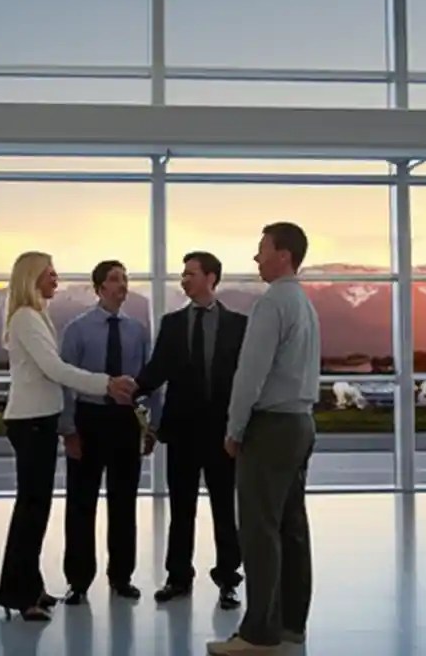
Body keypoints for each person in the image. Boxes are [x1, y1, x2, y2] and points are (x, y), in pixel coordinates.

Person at [0, 251, 135, 622]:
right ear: (32, 277)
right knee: (31, 510)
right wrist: (105, 383)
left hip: (38, 420)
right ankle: (19, 594)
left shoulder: (34, 315)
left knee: (35, 508)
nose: (56, 278)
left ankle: (31, 586)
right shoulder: (27, 317)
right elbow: (55, 369)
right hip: (32, 422)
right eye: (50, 273)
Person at [207, 223, 321, 656]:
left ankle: (258, 634)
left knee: (258, 529)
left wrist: (235, 430)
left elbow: (250, 373)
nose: (256, 258)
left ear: (284, 255)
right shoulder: (304, 304)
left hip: (271, 427)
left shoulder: (272, 303)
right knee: (292, 528)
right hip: (300, 423)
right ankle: (292, 626)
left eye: (261, 250)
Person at [133, 251, 247, 609]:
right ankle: (178, 578)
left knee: (224, 508)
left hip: (221, 433)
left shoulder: (238, 325)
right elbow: (157, 370)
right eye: (183, 275)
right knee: (181, 509)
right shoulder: (171, 323)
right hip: (182, 432)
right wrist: (128, 389)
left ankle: (229, 579)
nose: (184, 280)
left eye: (191, 274)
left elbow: (245, 379)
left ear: (211, 277)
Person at [59, 260, 158, 604]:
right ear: (99, 287)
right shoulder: (77, 330)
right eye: (115, 279)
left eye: (125, 278)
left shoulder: (137, 331)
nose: (123, 285)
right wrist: (69, 430)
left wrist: (151, 426)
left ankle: (121, 577)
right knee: (81, 503)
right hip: (88, 420)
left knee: (124, 503)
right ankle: (78, 581)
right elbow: (65, 384)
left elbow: (149, 383)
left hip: (124, 422)